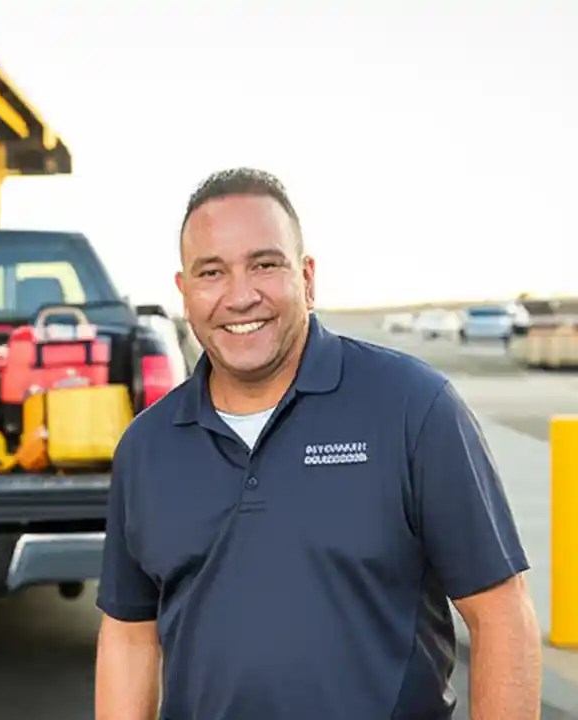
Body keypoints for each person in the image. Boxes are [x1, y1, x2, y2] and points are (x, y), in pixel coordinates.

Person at [93, 167, 542, 719]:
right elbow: (130, 633)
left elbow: (500, 614)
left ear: (306, 277)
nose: (240, 296)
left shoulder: (411, 407)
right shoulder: (147, 447)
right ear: (185, 292)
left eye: (264, 264)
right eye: (212, 272)